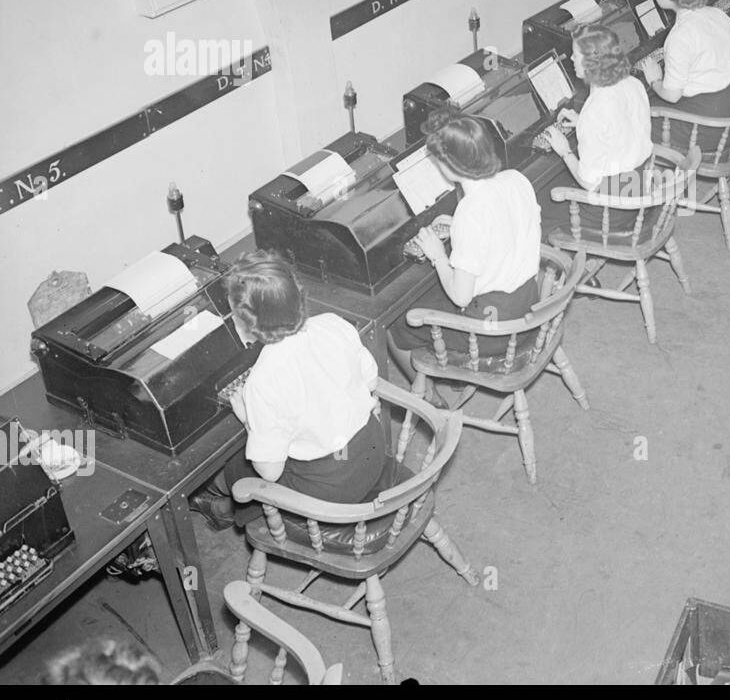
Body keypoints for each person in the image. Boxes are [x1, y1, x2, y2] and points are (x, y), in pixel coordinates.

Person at [188, 250, 390, 531]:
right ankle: (227, 509)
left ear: (246, 325)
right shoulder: (334, 324)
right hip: (371, 452)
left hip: (333, 492)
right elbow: (370, 381)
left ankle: (224, 507)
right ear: (299, 297)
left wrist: (249, 420)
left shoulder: (263, 381)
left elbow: (270, 472)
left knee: (238, 466)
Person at [390, 111, 542, 360]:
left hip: (495, 328)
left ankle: (427, 397)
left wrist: (438, 256)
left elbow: (461, 297)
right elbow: (513, 224)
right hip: (528, 306)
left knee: (398, 321)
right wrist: (459, 228)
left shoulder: (470, 212)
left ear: (450, 167)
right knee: (430, 296)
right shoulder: (516, 179)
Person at [539, 24, 656, 234]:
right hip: (641, 187)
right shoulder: (632, 83)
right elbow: (623, 123)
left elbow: (588, 182)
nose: (571, 59)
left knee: (540, 205)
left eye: (575, 55)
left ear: (591, 62)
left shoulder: (595, 112)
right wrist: (583, 120)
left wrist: (564, 150)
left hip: (613, 210)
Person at [638, 0, 730, 153]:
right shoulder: (717, 15)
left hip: (712, 125)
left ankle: (658, 181)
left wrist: (654, 80)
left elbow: (672, 96)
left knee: (636, 119)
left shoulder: (679, 37)